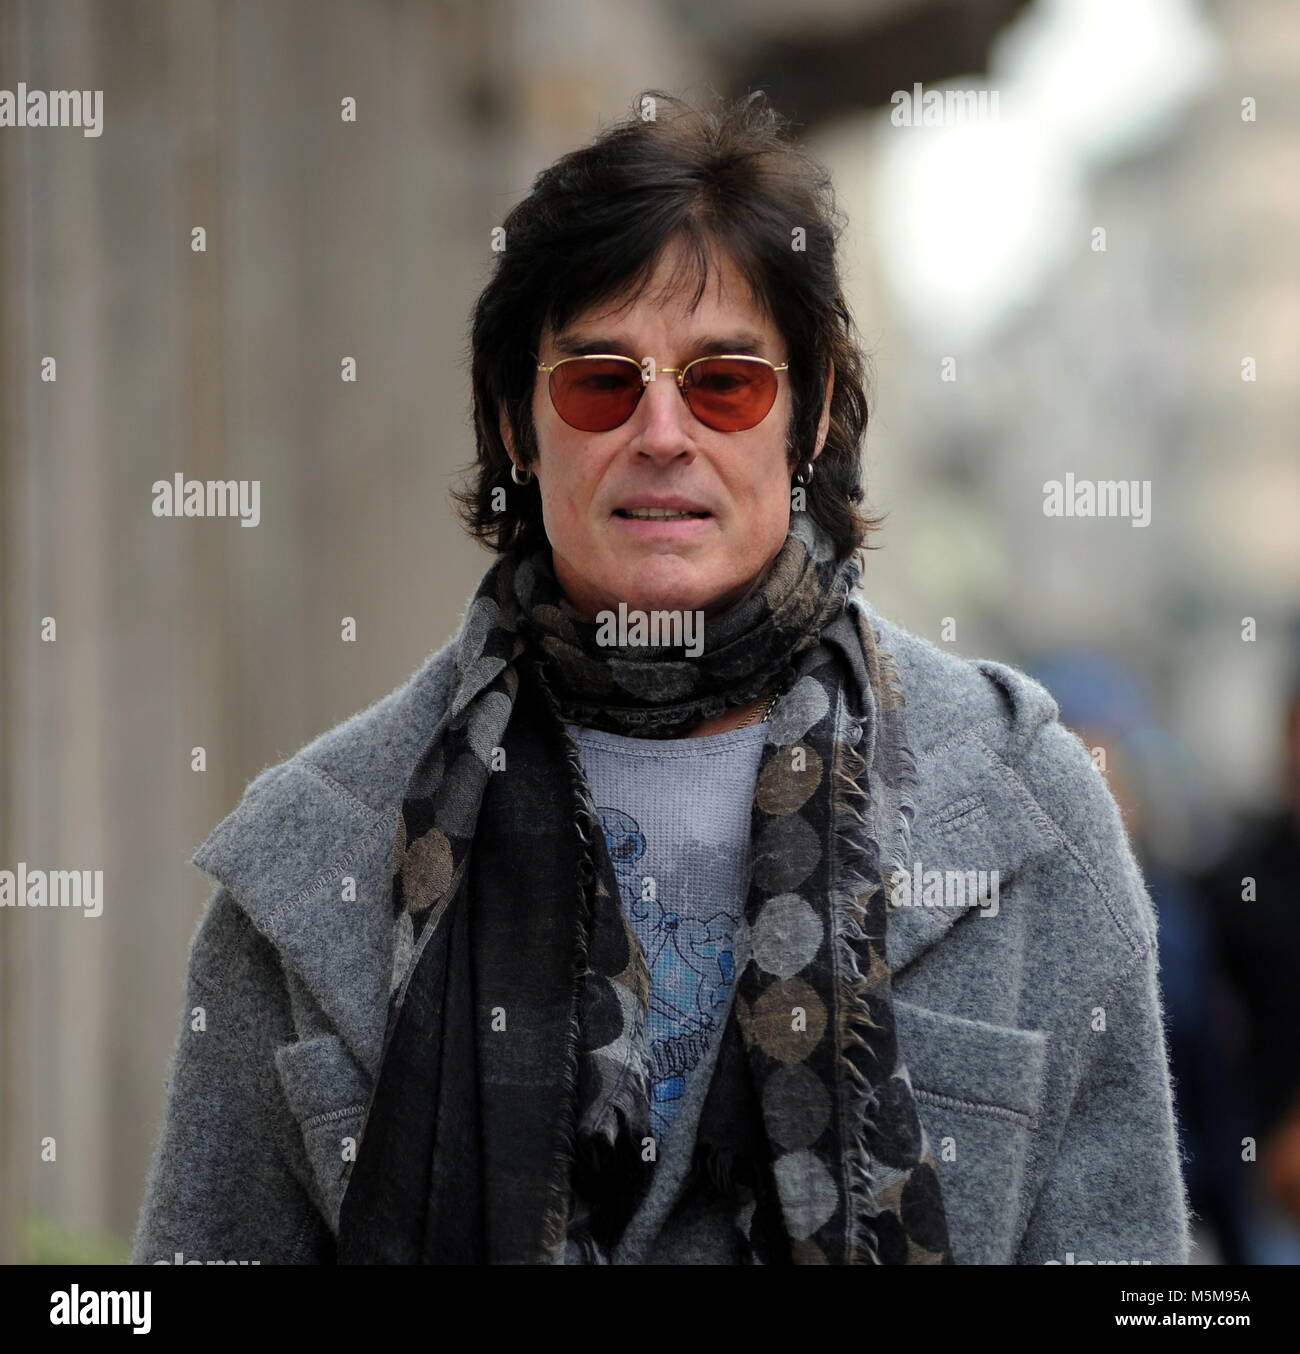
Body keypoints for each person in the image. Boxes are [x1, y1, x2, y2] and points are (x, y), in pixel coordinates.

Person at [131, 89, 1190, 1265]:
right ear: (517, 426)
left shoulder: (1024, 812)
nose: (663, 433)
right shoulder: (312, 855)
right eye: (600, 382)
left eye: (724, 381)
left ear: (810, 415)